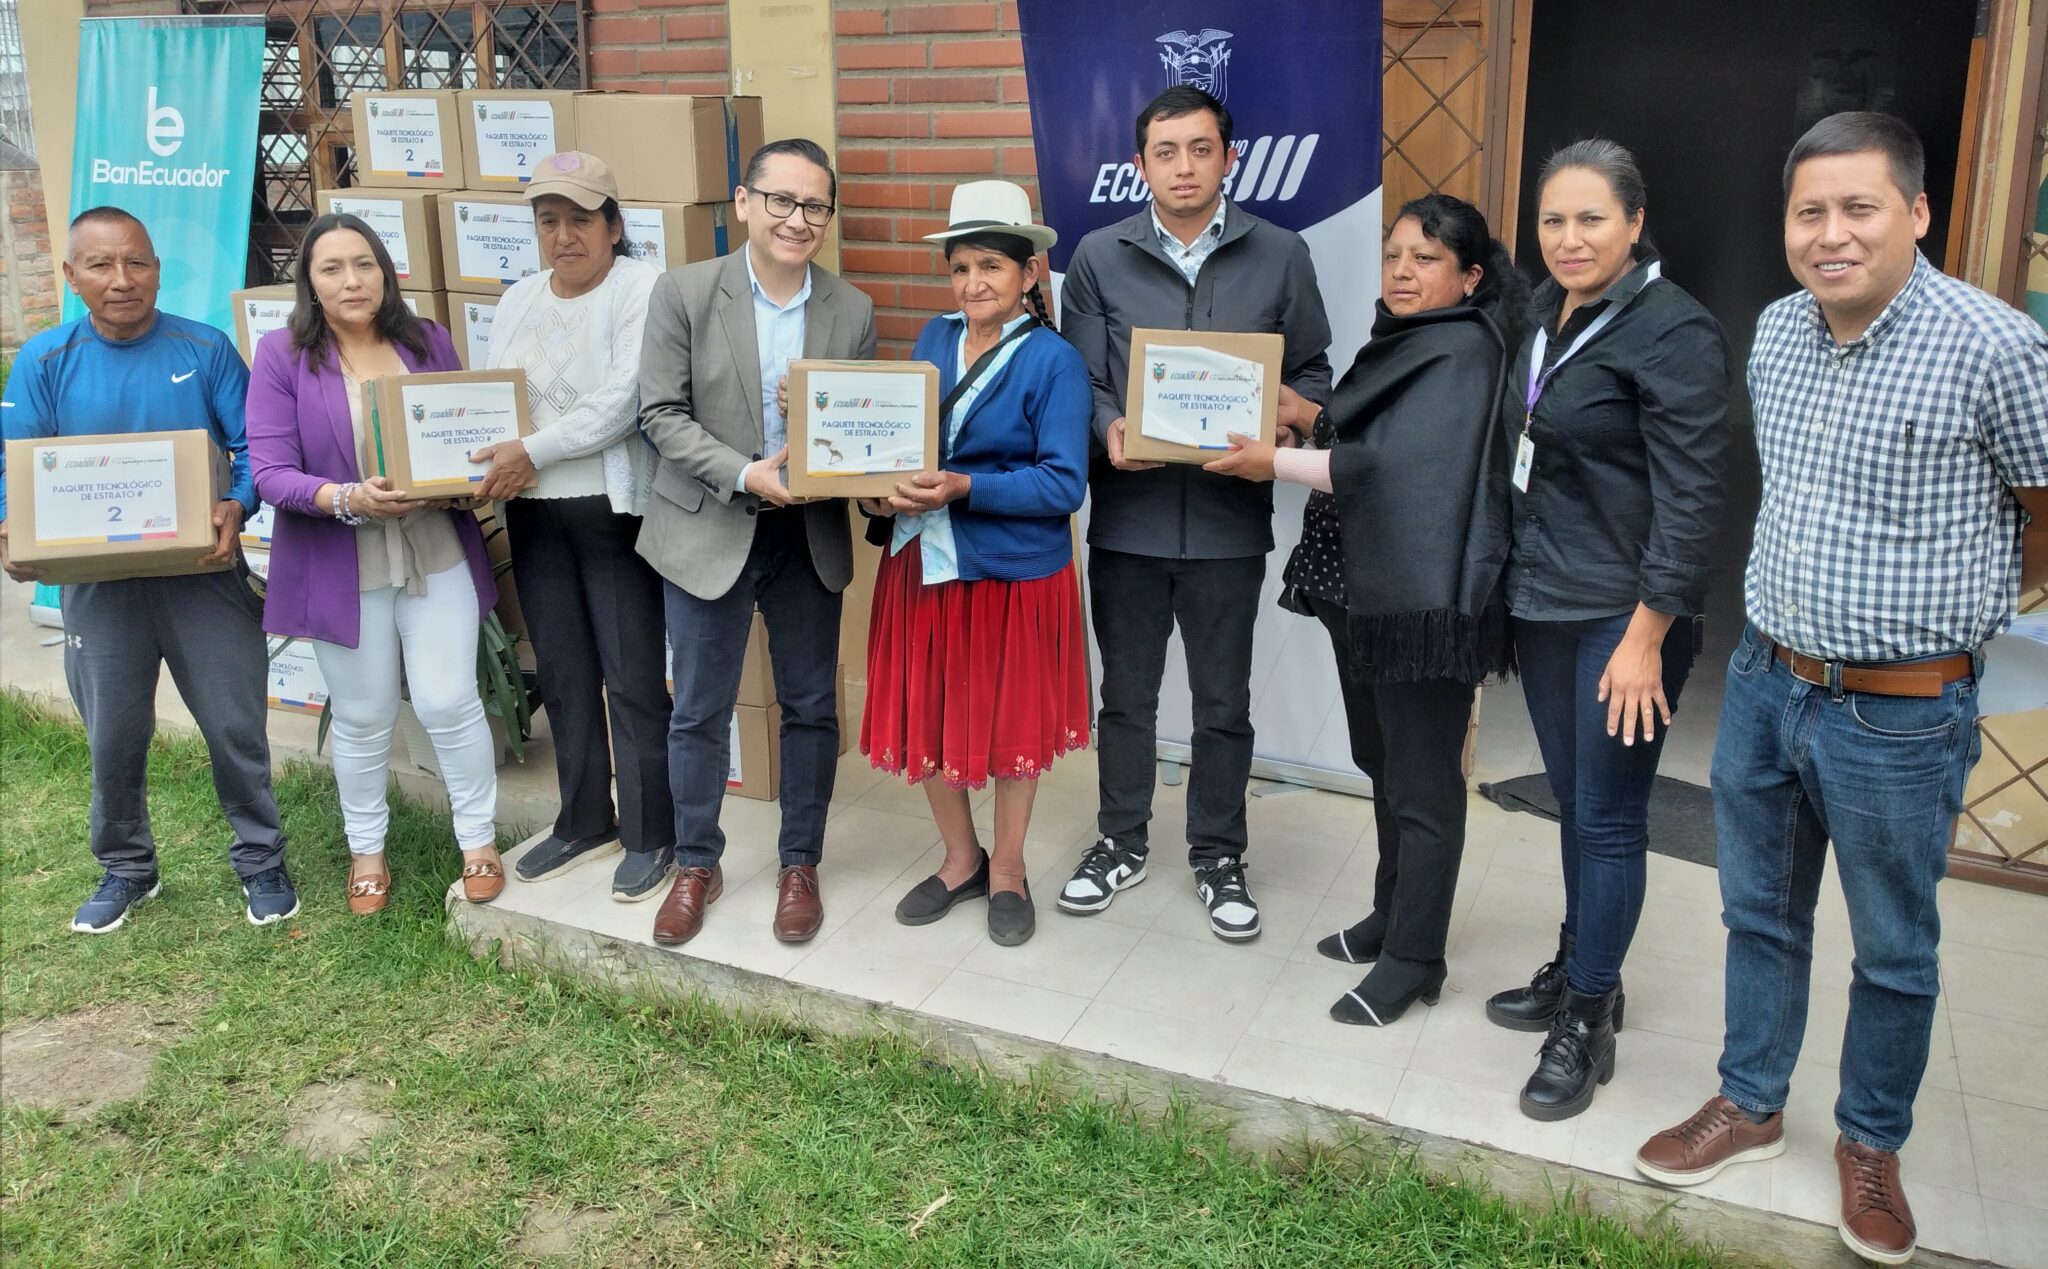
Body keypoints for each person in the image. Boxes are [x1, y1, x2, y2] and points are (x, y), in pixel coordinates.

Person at [1635, 113, 2048, 1267]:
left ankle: (1869, 1145)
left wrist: (1971, 605)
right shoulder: (1775, 331)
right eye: (1807, 211)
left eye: (1858, 208)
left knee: (1893, 949)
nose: (1830, 234)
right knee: (1757, 914)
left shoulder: (1995, 348)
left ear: (1915, 213)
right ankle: (1749, 1102)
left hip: (1899, 713)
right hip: (1766, 682)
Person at [1205, 193, 1525, 1023]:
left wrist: (1274, 460)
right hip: (1368, 592)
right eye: (1394, 255)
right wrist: (1305, 413)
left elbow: (1385, 465)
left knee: (1423, 783)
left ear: (1470, 276)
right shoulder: (1406, 337)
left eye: (1426, 258)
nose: (1403, 271)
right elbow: (1363, 431)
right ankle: (1392, 912)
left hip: (1423, 603)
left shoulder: (1465, 349)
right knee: (1383, 761)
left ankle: (1417, 957)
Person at [1482, 139, 1731, 1122]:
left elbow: (1691, 498)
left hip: (1623, 619)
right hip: (1544, 600)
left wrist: (1646, 633)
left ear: (1634, 222)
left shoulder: (1674, 330)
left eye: (1591, 218)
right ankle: (1584, 965)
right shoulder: (1542, 311)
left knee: (1610, 816)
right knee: (1574, 805)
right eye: (1552, 219)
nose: (1569, 237)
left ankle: (1587, 1021)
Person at [1056, 85, 1333, 943]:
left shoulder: (1281, 254)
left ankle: (1218, 852)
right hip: (1129, 521)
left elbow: (1314, 374)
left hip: (1227, 523)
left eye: (1201, 149)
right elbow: (1082, 377)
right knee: (1125, 697)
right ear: (1139, 165)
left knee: (1223, 703)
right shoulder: (1098, 256)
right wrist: (1108, 427)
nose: (1184, 167)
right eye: (1166, 152)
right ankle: (1121, 840)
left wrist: (1284, 420)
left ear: (1228, 158)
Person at [0, 207, 294, 932]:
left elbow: (253, 446)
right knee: (113, 734)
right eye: (100, 264)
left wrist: (237, 502)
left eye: (136, 262)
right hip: (98, 587)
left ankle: (261, 858)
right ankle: (127, 867)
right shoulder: (43, 360)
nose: (121, 279)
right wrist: (13, 527)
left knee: (234, 725)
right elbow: (16, 468)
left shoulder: (205, 348)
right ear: (71, 276)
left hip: (203, 575)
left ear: (158, 270)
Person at [636, 138, 877, 949]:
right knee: (699, 709)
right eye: (781, 200)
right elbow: (660, 414)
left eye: (814, 206)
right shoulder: (684, 292)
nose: (797, 219)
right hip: (710, 521)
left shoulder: (852, 310)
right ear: (744, 202)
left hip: (807, 532)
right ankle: (695, 862)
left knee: (812, 707)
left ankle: (800, 862)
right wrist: (745, 473)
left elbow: (861, 429)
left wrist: (824, 426)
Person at [246, 212, 504, 915]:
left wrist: (464, 478)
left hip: (433, 546)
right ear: (309, 282)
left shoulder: (428, 340)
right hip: (341, 559)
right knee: (362, 715)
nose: (351, 280)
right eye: (331, 268)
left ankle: (478, 840)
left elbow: (465, 435)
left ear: (385, 272)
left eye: (364, 264)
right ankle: (367, 850)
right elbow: (270, 472)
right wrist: (346, 497)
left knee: (450, 700)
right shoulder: (282, 355)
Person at [857, 181, 1091, 947]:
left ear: (1029, 273)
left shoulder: (1055, 361)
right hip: (924, 560)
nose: (973, 283)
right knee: (929, 711)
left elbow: (1063, 484)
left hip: (1011, 575)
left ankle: (1009, 868)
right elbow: (902, 442)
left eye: (991, 265)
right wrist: (877, 489)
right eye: (960, 268)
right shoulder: (934, 338)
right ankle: (962, 859)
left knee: (1008, 722)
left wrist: (965, 486)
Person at [469, 152, 675, 901]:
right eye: (548, 221)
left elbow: (625, 400)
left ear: (614, 226)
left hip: (611, 513)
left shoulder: (642, 287)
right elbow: (494, 396)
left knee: (631, 674)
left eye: (581, 220)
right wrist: (478, 461)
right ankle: (585, 817)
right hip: (532, 511)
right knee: (561, 669)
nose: (563, 236)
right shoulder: (518, 297)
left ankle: (653, 831)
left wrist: (533, 449)